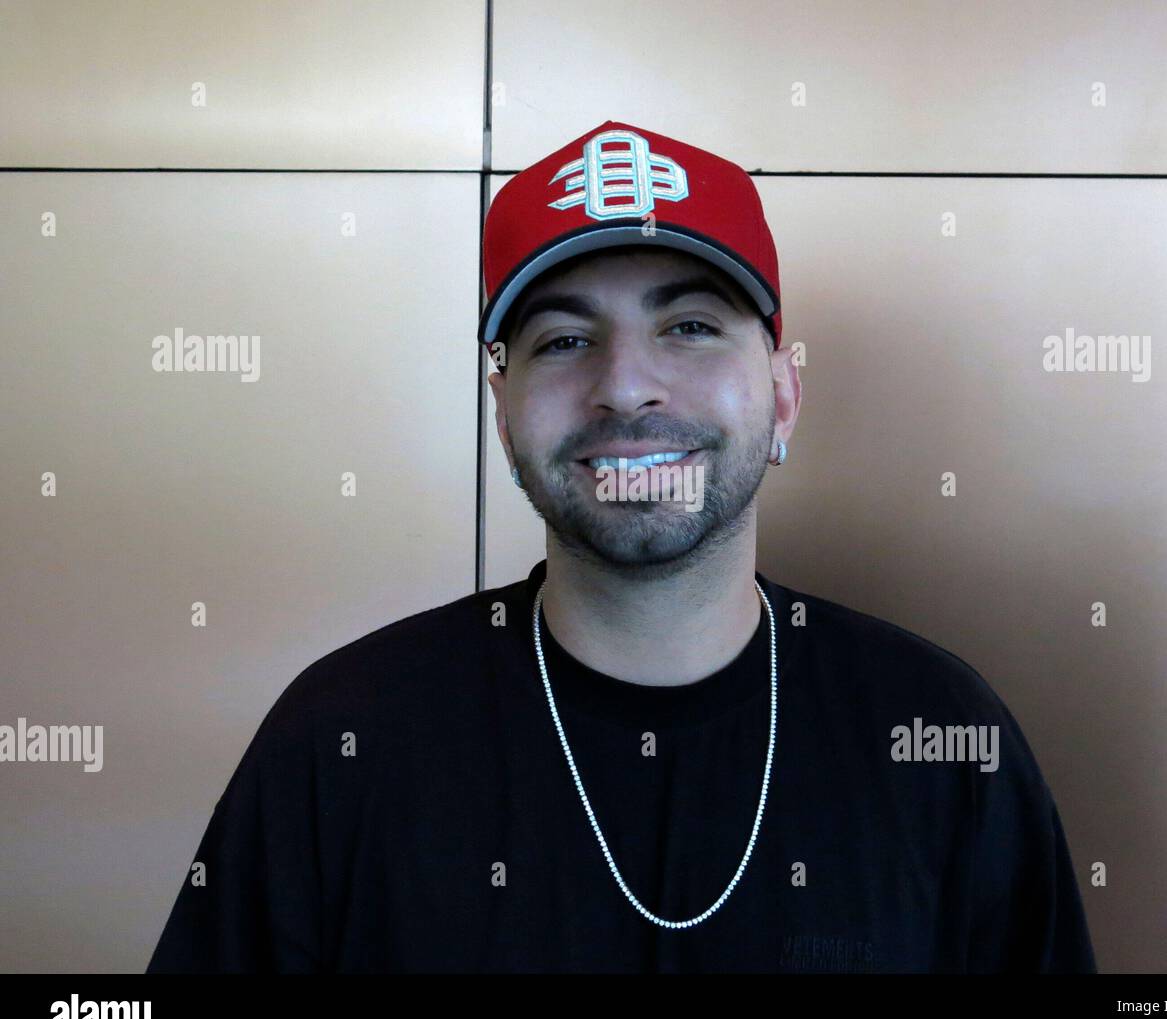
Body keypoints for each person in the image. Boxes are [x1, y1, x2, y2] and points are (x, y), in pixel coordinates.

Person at [147, 120, 1096, 973]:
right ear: (503, 415)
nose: (627, 387)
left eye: (688, 326)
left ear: (784, 396)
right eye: (564, 341)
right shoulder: (342, 737)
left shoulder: (938, 734)